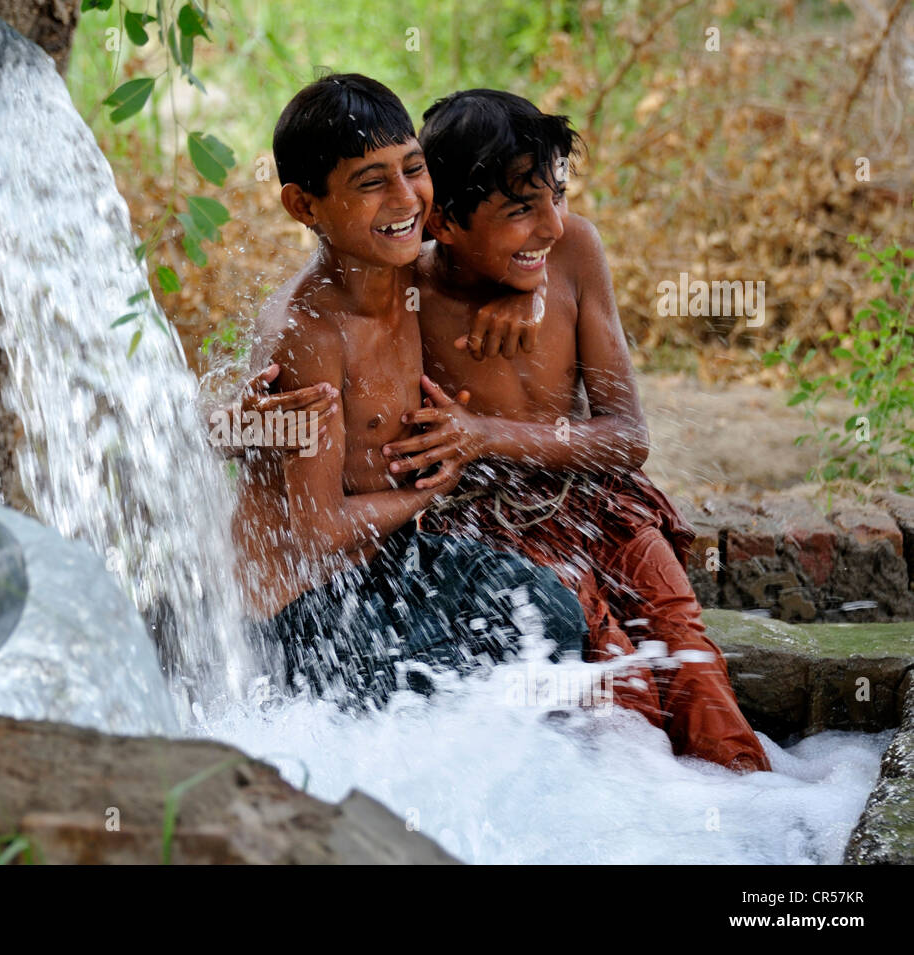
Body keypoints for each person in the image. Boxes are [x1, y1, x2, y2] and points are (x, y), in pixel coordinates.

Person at [378, 89, 769, 772]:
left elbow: (627, 439)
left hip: (601, 508)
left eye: (556, 195)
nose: (553, 225)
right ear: (442, 220)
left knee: (694, 667)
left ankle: (761, 829)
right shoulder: (405, 293)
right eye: (522, 209)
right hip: (493, 530)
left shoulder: (574, 249)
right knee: (623, 697)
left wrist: (485, 427)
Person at [235, 74, 588, 706]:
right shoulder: (312, 333)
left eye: (413, 168)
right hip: (300, 611)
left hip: (388, 562)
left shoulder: (398, 255)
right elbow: (317, 533)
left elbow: (519, 229)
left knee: (551, 621)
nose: (405, 198)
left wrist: (526, 294)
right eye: (371, 182)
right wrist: (437, 488)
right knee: (449, 686)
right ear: (305, 207)